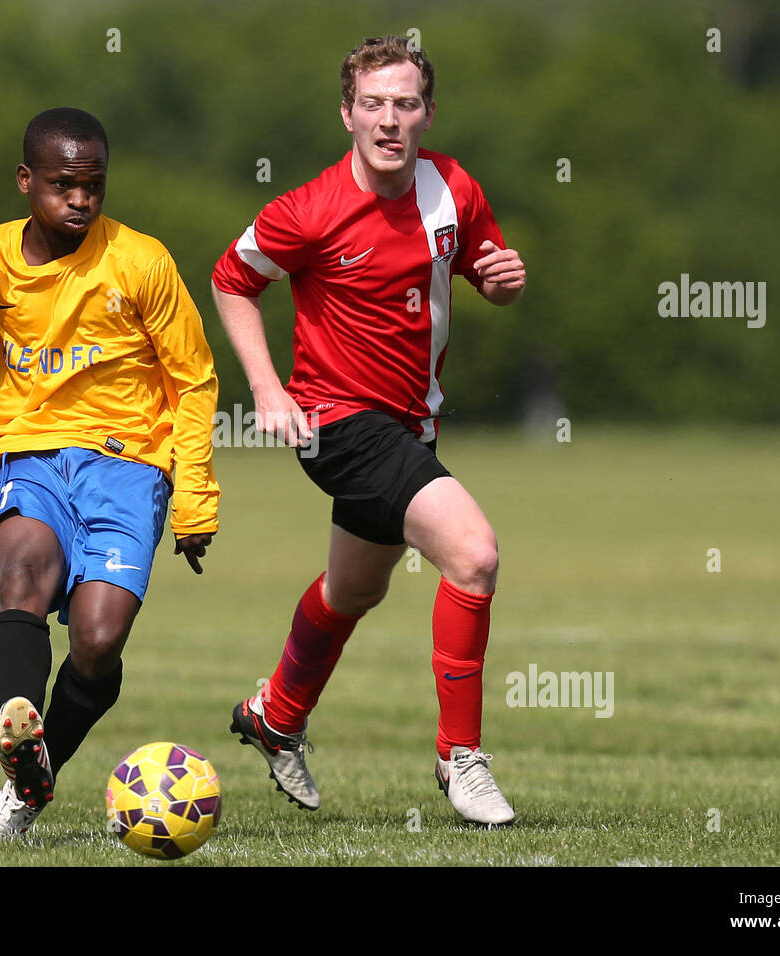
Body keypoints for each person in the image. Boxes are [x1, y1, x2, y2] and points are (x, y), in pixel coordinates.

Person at [210, 36, 526, 825]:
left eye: (407, 104)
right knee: (474, 553)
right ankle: (463, 760)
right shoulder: (310, 210)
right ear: (347, 113)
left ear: (427, 113)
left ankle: (275, 716)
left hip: (410, 426)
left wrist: (499, 281)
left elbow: (486, 271)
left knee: (356, 589)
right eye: (375, 105)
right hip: (335, 422)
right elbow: (231, 279)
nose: (391, 120)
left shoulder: (453, 187)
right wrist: (265, 388)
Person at [0, 107, 219, 843]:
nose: (80, 200)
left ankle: (25, 792)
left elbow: (194, 381)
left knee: (99, 639)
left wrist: (195, 499)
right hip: (29, 452)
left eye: (94, 186)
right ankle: (17, 723)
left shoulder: (141, 262)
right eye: (63, 185)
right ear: (26, 182)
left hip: (127, 466)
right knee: (23, 569)